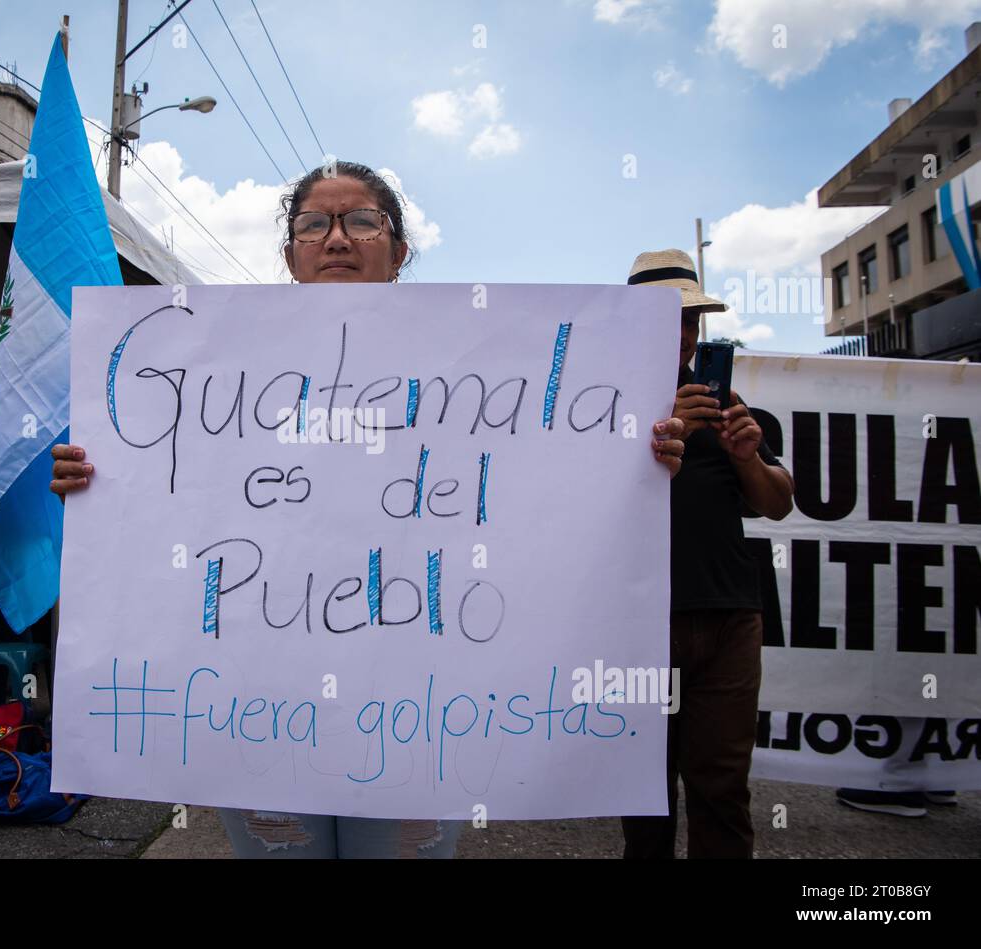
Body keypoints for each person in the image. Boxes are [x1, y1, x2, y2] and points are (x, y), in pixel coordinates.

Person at [49, 162, 688, 858]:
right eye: (313, 224)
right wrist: (98, 480)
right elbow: (167, 493)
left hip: (423, 712)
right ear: (290, 252)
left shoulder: (482, 355)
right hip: (260, 705)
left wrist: (635, 459)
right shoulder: (217, 366)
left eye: (361, 221)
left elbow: (551, 478)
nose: (336, 239)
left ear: (399, 248)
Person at [620, 249, 796, 859]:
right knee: (644, 796)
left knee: (721, 788)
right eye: (666, 319)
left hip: (727, 619)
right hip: (638, 622)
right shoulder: (600, 403)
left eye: (690, 322)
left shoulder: (725, 403)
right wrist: (668, 433)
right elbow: (578, 505)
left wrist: (747, 455)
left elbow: (777, 504)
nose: (682, 336)